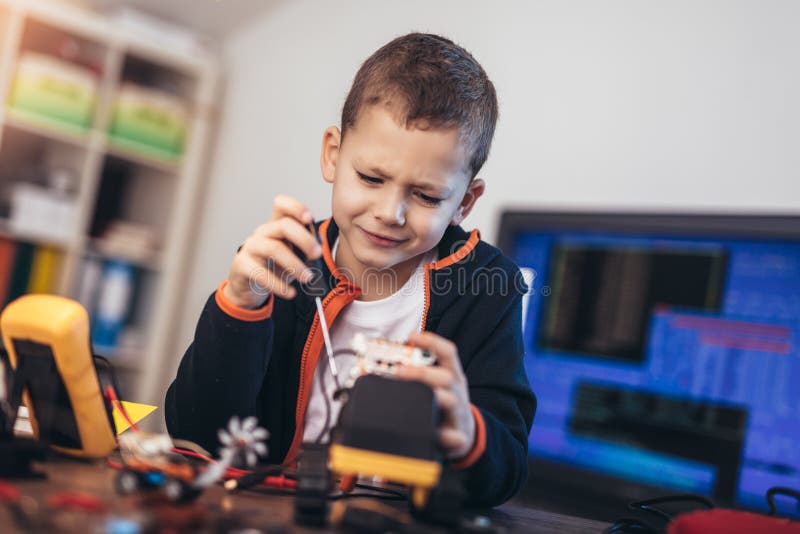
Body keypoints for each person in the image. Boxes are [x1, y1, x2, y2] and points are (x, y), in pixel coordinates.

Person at [165, 32, 536, 507]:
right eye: (371, 178)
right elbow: (195, 434)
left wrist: (467, 433)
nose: (389, 213)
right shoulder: (282, 262)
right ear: (333, 155)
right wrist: (240, 306)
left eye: (426, 196)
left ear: (464, 202)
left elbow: (507, 472)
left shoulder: (487, 288)